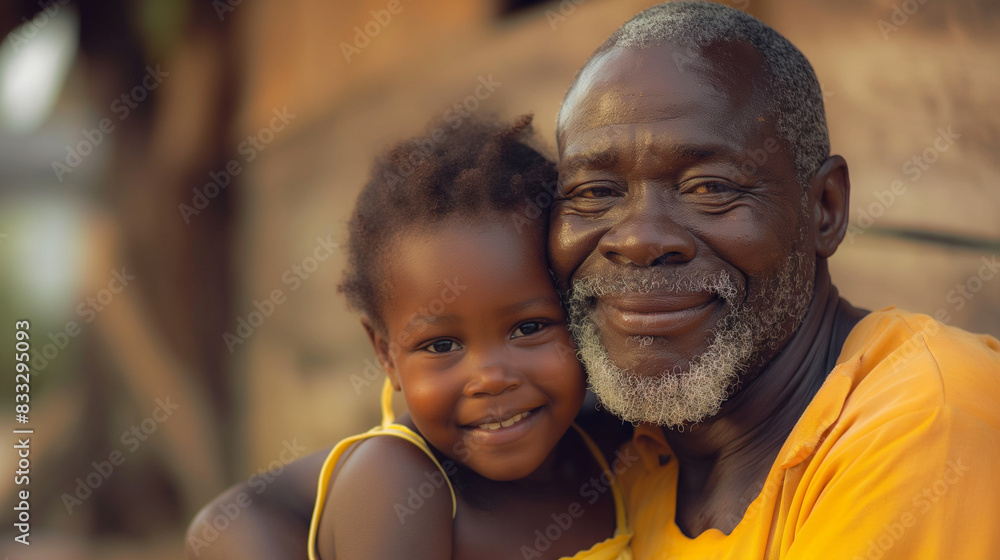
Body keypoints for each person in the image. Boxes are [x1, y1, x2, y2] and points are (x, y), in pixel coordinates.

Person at [187, 2, 1000, 559]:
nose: (639, 240)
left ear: (824, 209)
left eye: (711, 186)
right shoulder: (627, 435)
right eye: (595, 193)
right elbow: (238, 515)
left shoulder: (926, 417)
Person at [197, 114, 634, 560]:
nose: (490, 378)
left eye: (529, 328)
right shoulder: (398, 485)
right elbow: (224, 520)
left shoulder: (608, 444)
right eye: (441, 345)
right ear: (385, 355)